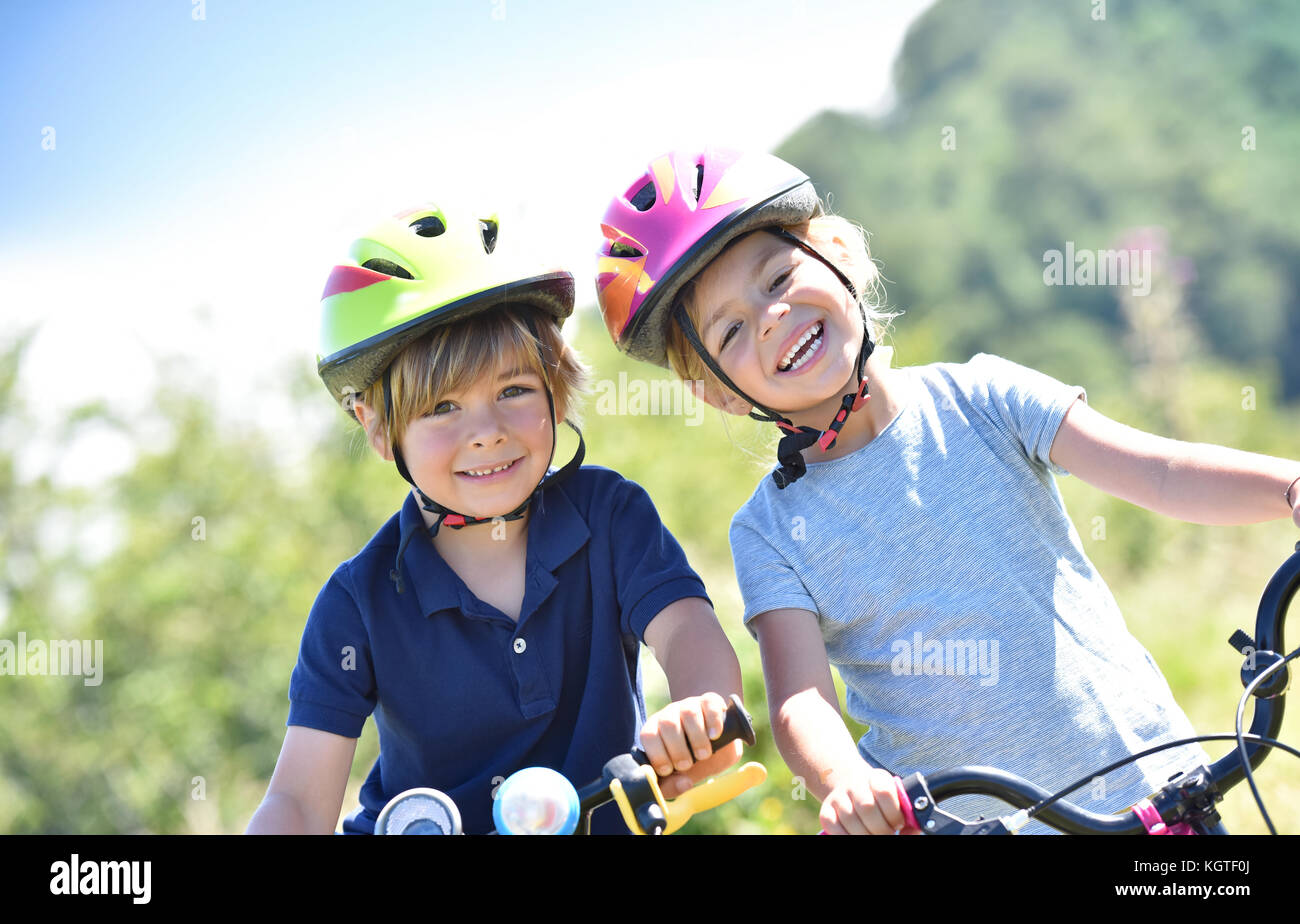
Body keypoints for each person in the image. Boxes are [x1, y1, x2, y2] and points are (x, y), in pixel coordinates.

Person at [593, 147, 1300, 834]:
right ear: (717, 391)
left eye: (777, 279)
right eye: (734, 330)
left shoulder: (982, 396)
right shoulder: (771, 531)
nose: (772, 316)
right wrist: (848, 785)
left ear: (836, 254)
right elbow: (800, 700)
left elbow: (1160, 472)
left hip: (1154, 788)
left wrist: (1289, 487)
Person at [247, 201, 742, 835]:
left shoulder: (612, 518)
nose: (486, 433)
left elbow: (687, 634)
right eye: (443, 406)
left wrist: (699, 709)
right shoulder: (360, 601)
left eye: (513, 391)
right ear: (379, 429)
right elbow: (297, 802)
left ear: (556, 390)